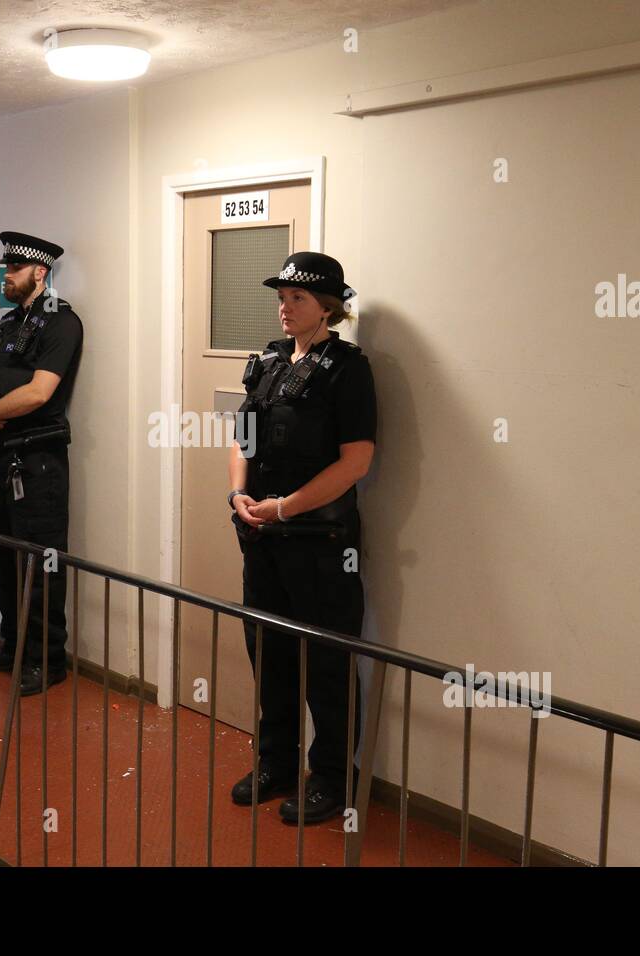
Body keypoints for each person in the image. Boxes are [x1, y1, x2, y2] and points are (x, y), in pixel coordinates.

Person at [227, 251, 377, 824]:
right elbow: (241, 438)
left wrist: (285, 507)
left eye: (299, 299)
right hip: (263, 539)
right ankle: (276, 763)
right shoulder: (266, 364)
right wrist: (240, 497)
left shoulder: (347, 368)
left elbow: (356, 461)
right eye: (282, 297)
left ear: (328, 308)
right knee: (271, 656)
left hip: (320, 542)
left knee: (329, 664)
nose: (286, 308)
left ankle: (334, 779)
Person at [0, 231, 82, 697]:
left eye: (13, 270)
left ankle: (47, 660)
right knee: (0, 561)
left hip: (38, 463)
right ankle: (13, 645)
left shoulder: (62, 323)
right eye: (4, 269)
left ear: (40, 272)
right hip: (1, 458)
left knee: (41, 565)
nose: (6, 277)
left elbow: (39, 392)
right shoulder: (11, 323)